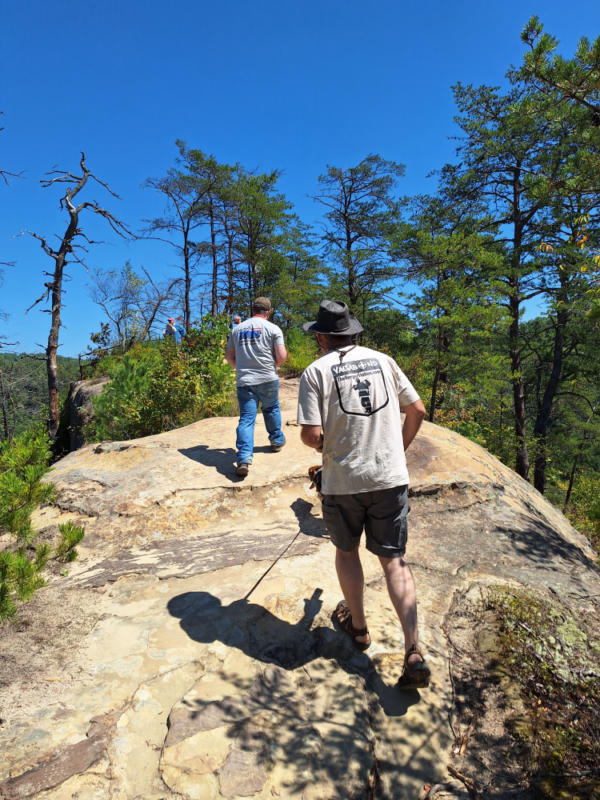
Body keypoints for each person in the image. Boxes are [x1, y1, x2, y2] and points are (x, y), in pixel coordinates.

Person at [297, 300, 430, 689]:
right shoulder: (384, 361)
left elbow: (311, 435)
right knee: (394, 561)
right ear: (352, 333)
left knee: (347, 552)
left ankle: (358, 628)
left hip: (344, 483)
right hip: (389, 477)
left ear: (320, 338)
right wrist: (395, 451)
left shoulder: (315, 372)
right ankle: (413, 649)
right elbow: (417, 410)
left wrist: (330, 446)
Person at [225, 297, 288, 477]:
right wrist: (274, 367)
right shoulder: (273, 328)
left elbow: (229, 356)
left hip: (245, 381)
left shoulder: (237, 329)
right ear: (269, 312)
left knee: (246, 418)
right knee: (271, 408)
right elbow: (281, 356)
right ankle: (276, 441)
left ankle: (244, 459)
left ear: (252, 310)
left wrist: (240, 369)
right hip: (268, 378)